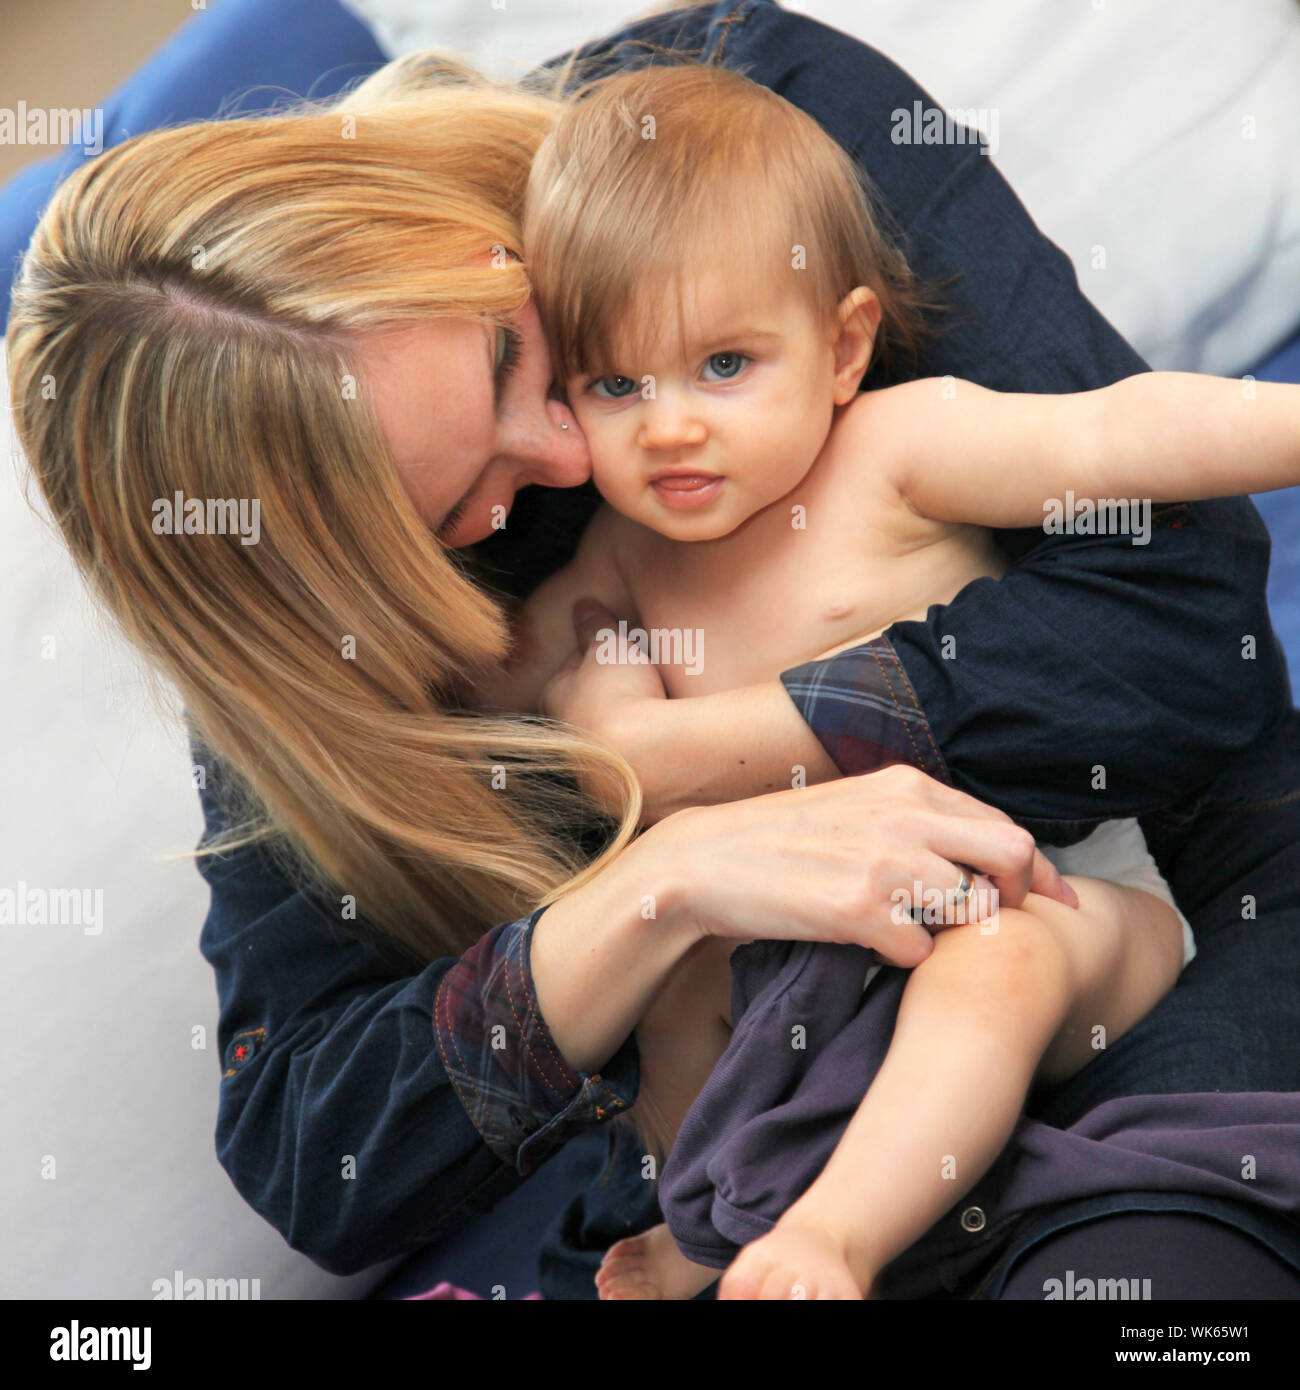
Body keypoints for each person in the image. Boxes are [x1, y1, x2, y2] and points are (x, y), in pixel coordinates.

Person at [6, 0, 1299, 1299]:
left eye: (518, 352)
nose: (580, 456)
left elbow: (1186, 621)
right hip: (766, 1112)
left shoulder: (733, 131)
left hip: (1131, 916)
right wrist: (661, 883)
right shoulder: (313, 595)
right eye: (461, 515)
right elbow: (312, 1145)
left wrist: (694, 751)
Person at [471, 59, 1299, 1300]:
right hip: (802, 984)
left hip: (1060, 908)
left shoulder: (892, 453)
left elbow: (1110, 436)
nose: (671, 426)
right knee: (670, 964)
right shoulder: (616, 559)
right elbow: (475, 702)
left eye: (726, 365)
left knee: (996, 954)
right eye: (614, 385)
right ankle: (712, 1214)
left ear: (845, 344)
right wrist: (580, 698)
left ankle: (831, 1236)